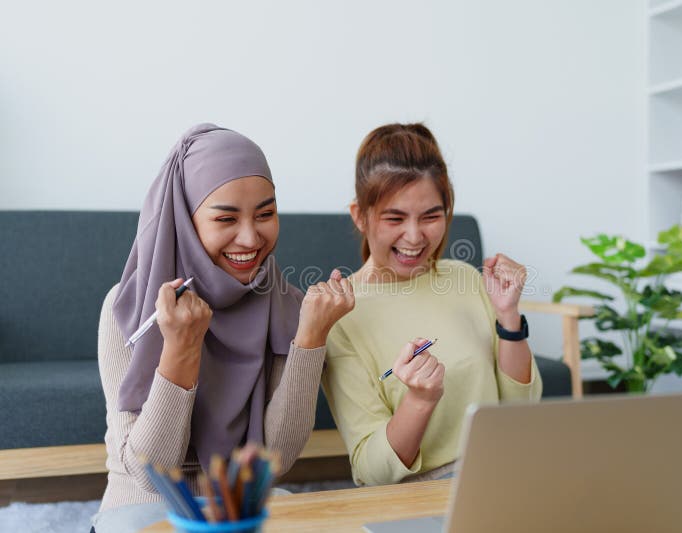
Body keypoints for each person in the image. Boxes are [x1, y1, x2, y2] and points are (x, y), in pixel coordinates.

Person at [91, 124, 354, 533]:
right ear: (184, 221)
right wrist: (180, 349)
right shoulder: (128, 308)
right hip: (146, 508)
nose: (250, 238)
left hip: (242, 508)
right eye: (226, 218)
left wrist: (310, 339)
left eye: (265, 214)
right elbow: (151, 472)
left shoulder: (282, 303)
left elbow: (277, 459)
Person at [322, 123, 542, 487]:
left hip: (503, 472)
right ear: (360, 216)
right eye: (395, 218)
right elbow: (371, 472)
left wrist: (508, 316)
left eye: (430, 216)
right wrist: (420, 401)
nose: (414, 236)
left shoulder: (465, 278)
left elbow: (521, 411)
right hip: (417, 496)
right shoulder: (342, 314)